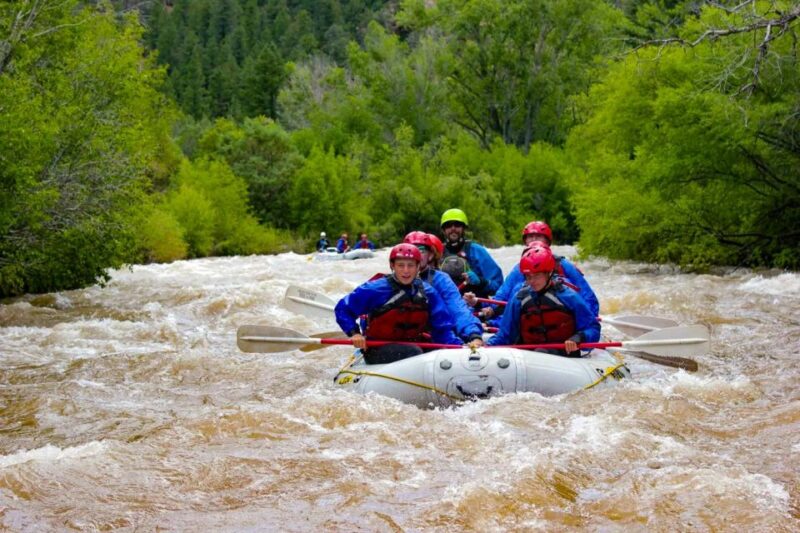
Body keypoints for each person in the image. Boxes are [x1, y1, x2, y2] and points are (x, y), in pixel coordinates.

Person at [335, 244, 477, 364]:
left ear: (417, 267)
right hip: (377, 348)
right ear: (392, 266)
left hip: (414, 344)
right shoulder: (375, 289)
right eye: (400, 265)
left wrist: (459, 348)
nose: (406, 271)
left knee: (437, 352)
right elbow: (343, 308)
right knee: (414, 352)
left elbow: (442, 329)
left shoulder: (428, 292)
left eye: (410, 266)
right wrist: (355, 333)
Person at [466, 220, 600, 319]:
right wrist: (482, 305)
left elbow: (588, 297)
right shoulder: (519, 269)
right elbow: (502, 297)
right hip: (529, 317)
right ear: (525, 242)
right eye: (530, 237)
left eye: (538, 236)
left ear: (547, 242)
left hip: (560, 318)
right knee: (518, 289)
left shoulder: (563, 265)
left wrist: (588, 323)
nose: (534, 240)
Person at [486, 246, 600, 357]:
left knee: (542, 351)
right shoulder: (519, 299)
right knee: (539, 351)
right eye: (528, 277)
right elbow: (504, 334)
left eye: (537, 276)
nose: (532, 281)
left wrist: (578, 337)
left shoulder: (569, 297)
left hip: (564, 354)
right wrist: (486, 345)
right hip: (529, 355)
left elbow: (592, 328)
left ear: (549, 273)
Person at [403, 231, 483, 343]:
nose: (414, 254)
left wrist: (473, 334)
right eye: (410, 249)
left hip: (431, 338)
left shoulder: (441, 280)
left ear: (430, 255)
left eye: (420, 249)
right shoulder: (388, 282)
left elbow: (458, 309)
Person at [439, 208, 503, 298]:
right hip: (447, 306)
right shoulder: (437, 252)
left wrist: (481, 282)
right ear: (443, 230)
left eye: (457, 225)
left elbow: (498, 286)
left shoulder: (477, 251)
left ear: (464, 228)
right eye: (448, 225)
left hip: (475, 306)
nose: (453, 229)